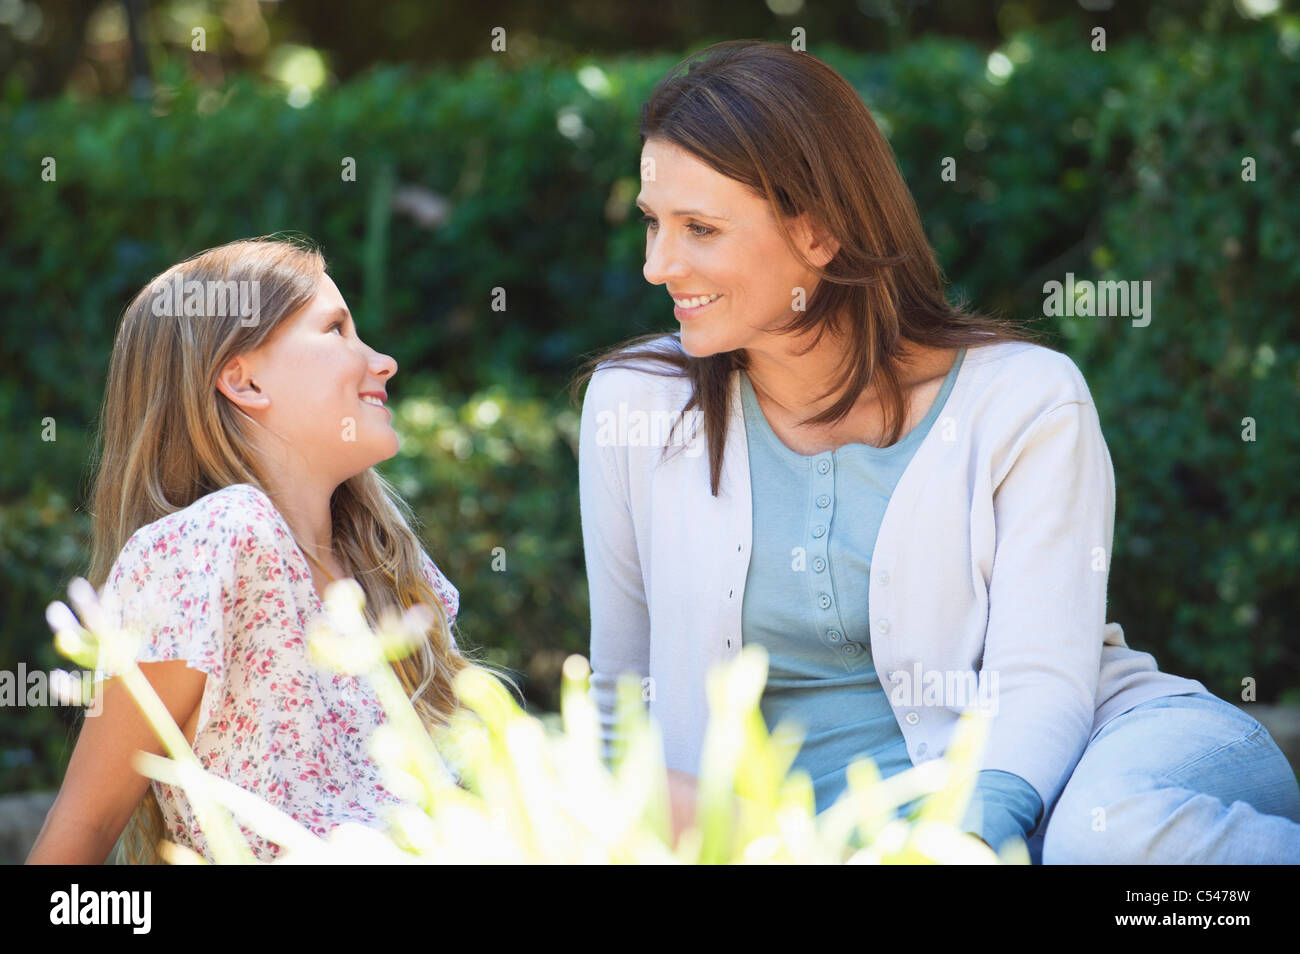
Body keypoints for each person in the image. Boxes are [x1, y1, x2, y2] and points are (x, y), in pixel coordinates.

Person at [570, 40, 1300, 863]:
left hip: (1090, 757)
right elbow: (625, 691)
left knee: (1108, 846)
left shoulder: (1023, 400)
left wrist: (966, 838)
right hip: (837, 839)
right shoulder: (637, 405)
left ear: (819, 231)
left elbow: (1041, 677)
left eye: (700, 228)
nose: (657, 264)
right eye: (654, 223)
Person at [27, 236, 503, 864]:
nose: (383, 361)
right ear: (243, 379)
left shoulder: (386, 567)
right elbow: (77, 840)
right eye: (337, 330)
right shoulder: (213, 542)